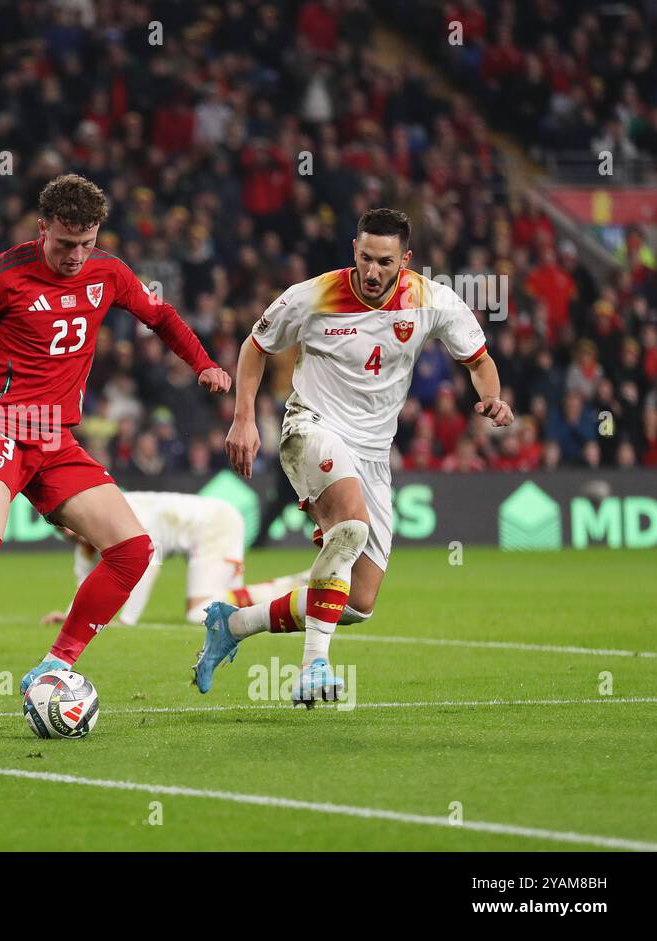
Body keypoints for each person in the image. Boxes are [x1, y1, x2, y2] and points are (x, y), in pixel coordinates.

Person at [0, 173, 230, 691]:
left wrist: (203, 363)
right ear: (42, 227)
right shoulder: (1, 276)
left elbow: (160, 316)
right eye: (66, 243)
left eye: (87, 244)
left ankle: (57, 664)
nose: (76, 256)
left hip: (54, 436)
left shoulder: (109, 272)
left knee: (133, 550)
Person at [198, 208, 514, 706]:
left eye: (385, 262)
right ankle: (313, 667)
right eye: (365, 258)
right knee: (349, 528)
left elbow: (479, 361)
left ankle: (234, 624)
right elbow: (255, 346)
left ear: (405, 260)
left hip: (372, 454)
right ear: (354, 250)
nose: (372, 272)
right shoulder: (314, 295)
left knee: (357, 603)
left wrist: (493, 398)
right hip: (311, 427)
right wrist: (242, 420)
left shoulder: (431, 300)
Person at [42, 490, 310, 626]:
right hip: (208, 528)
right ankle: (300, 592)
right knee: (228, 609)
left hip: (215, 525)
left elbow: (147, 568)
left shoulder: (124, 517)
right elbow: (87, 583)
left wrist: (126, 620)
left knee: (200, 612)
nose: (67, 532)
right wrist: (70, 618)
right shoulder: (88, 538)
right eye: (60, 526)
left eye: (67, 524)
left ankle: (299, 585)